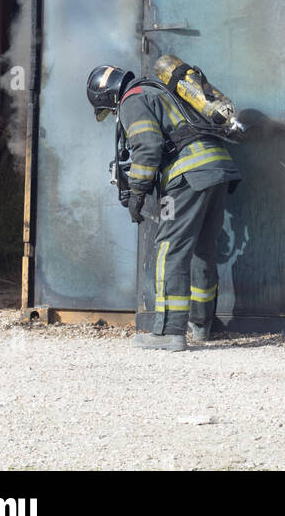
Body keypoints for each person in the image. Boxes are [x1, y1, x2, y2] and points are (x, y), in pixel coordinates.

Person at [86, 61, 241, 352]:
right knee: (202, 250)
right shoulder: (159, 91)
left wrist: (137, 192)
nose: (111, 116)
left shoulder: (132, 99)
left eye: (107, 111)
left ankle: (169, 331)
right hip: (217, 169)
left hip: (189, 174)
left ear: (109, 97)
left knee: (170, 249)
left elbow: (148, 145)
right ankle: (202, 325)